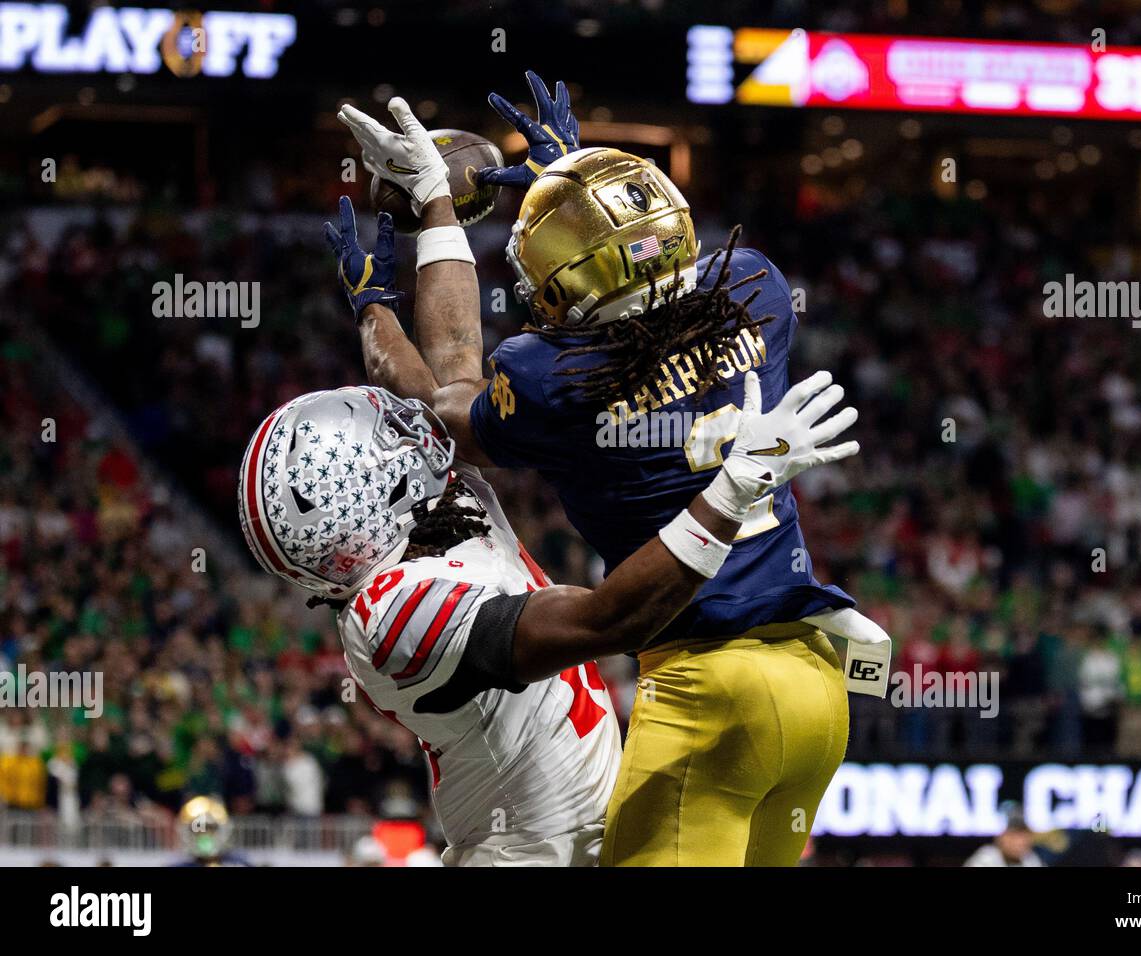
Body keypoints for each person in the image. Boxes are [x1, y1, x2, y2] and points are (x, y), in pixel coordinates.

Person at [336, 74, 890, 866]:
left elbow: (447, 399)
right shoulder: (754, 284)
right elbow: (657, 280)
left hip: (709, 690)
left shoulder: (556, 379)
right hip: (814, 687)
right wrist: (582, 186)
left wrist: (426, 222)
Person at [247, 201, 857, 863]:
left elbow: (441, 389)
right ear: (372, 496)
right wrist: (735, 486)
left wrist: (404, 261)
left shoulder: (428, 522)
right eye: (384, 447)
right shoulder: (393, 618)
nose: (405, 440)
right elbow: (607, 620)